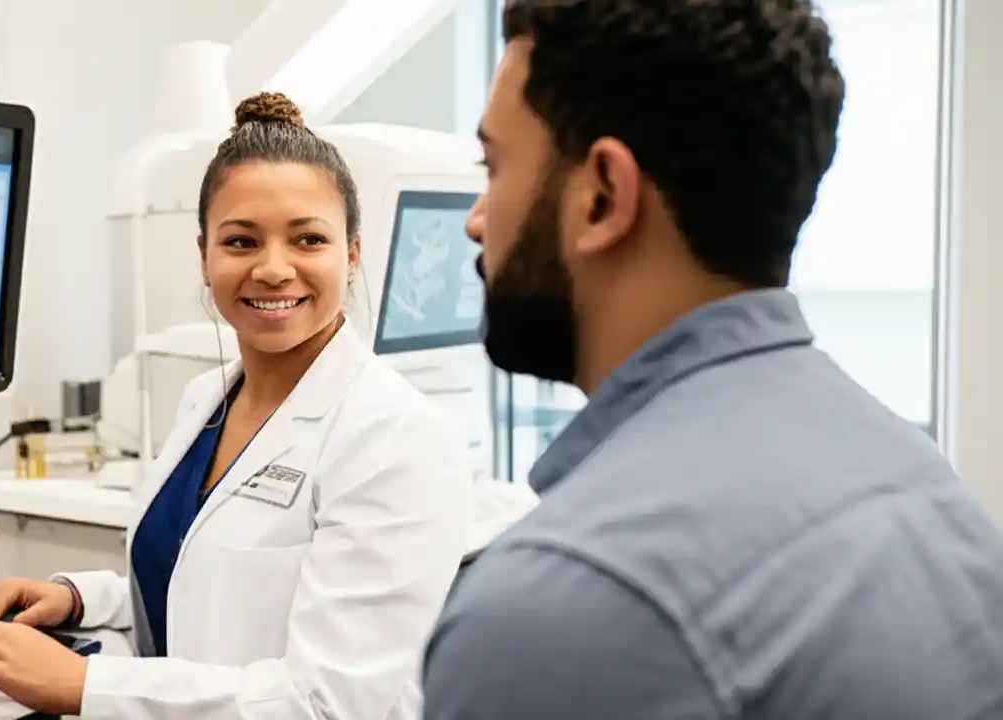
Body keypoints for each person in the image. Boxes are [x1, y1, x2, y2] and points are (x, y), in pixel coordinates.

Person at [422, 1, 1003, 718]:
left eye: (494, 166)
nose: (477, 220)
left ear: (604, 195)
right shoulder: (924, 486)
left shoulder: (558, 605)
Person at [0, 92, 472, 719]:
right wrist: (79, 599)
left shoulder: (393, 437)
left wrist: (84, 686)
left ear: (353, 254)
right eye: (241, 242)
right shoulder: (207, 400)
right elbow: (214, 590)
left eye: (309, 239)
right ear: (204, 256)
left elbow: (325, 704)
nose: (274, 269)